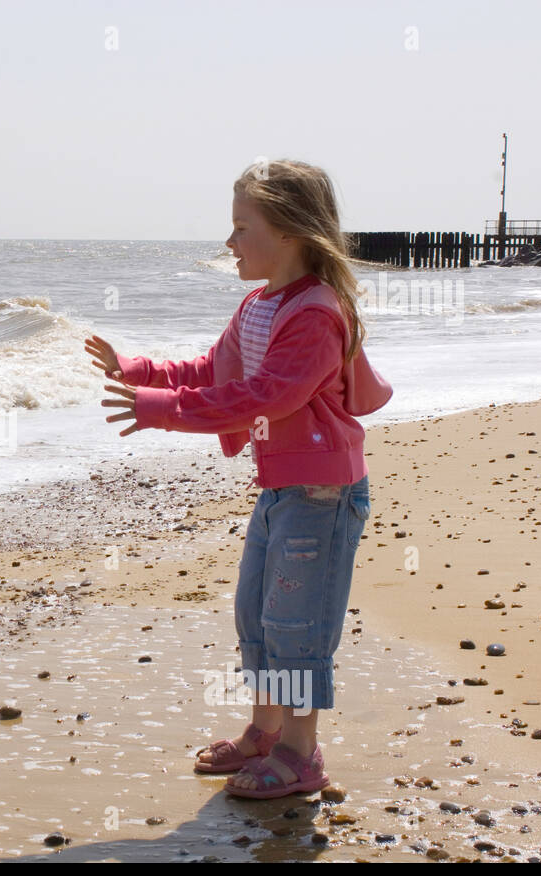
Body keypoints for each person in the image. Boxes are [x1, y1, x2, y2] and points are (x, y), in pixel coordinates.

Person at [86, 159, 392, 797]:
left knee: (296, 624)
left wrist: (163, 412)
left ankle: (302, 755)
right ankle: (266, 733)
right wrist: (139, 371)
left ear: (290, 231)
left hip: (324, 494)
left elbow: (266, 397)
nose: (229, 242)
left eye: (242, 228)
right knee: (257, 614)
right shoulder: (259, 304)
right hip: (281, 489)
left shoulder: (316, 313)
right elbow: (215, 370)